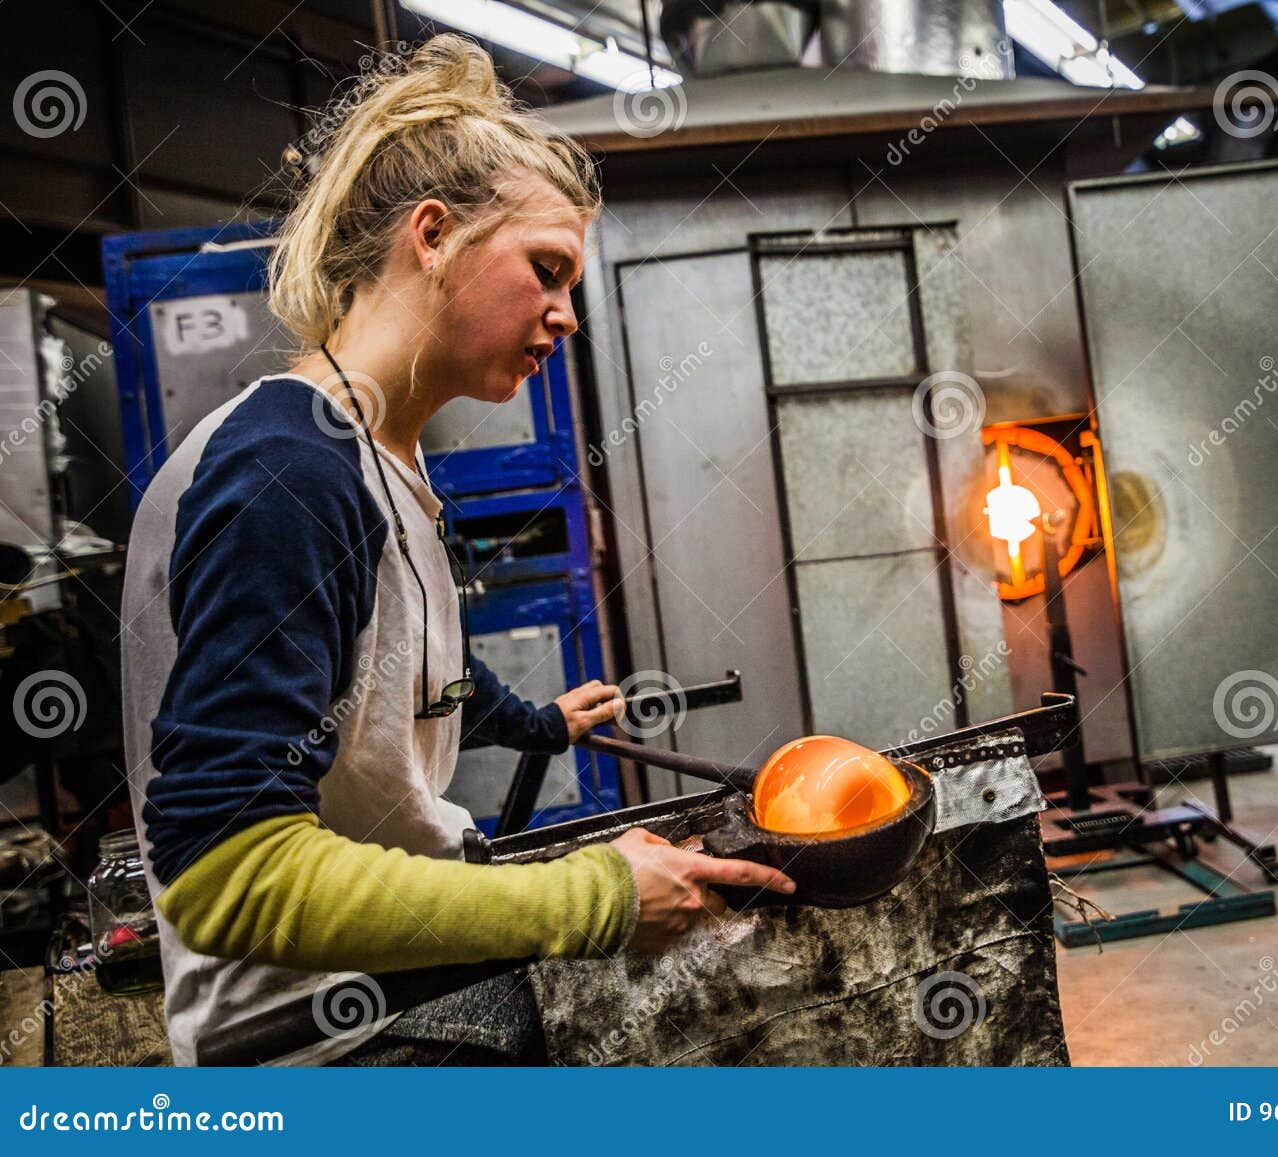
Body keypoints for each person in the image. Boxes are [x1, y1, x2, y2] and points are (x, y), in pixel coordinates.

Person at [119, 34, 793, 1067]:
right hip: (327, 1044)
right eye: (547, 269)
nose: (565, 313)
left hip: (384, 993)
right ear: (431, 235)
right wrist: (589, 894)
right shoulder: (288, 474)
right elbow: (226, 870)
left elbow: (403, 667)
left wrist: (537, 721)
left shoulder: (378, 456)